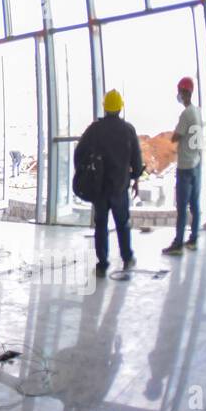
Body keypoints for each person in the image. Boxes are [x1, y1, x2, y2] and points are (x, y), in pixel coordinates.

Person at [75, 89, 143, 277]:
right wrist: (136, 178)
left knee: (101, 224)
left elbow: (79, 152)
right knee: (122, 223)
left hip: (99, 188)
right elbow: (136, 158)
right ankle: (127, 258)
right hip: (120, 187)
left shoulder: (95, 129)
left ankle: (102, 263)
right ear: (120, 108)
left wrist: (84, 172)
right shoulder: (128, 130)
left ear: (105, 108)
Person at [164, 77, 202, 255]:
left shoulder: (186, 114)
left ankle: (178, 244)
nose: (178, 95)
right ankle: (193, 239)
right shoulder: (197, 112)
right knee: (194, 204)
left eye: (180, 91)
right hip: (196, 163)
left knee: (182, 207)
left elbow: (175, 137)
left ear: (185, 92)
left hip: (185, 166)